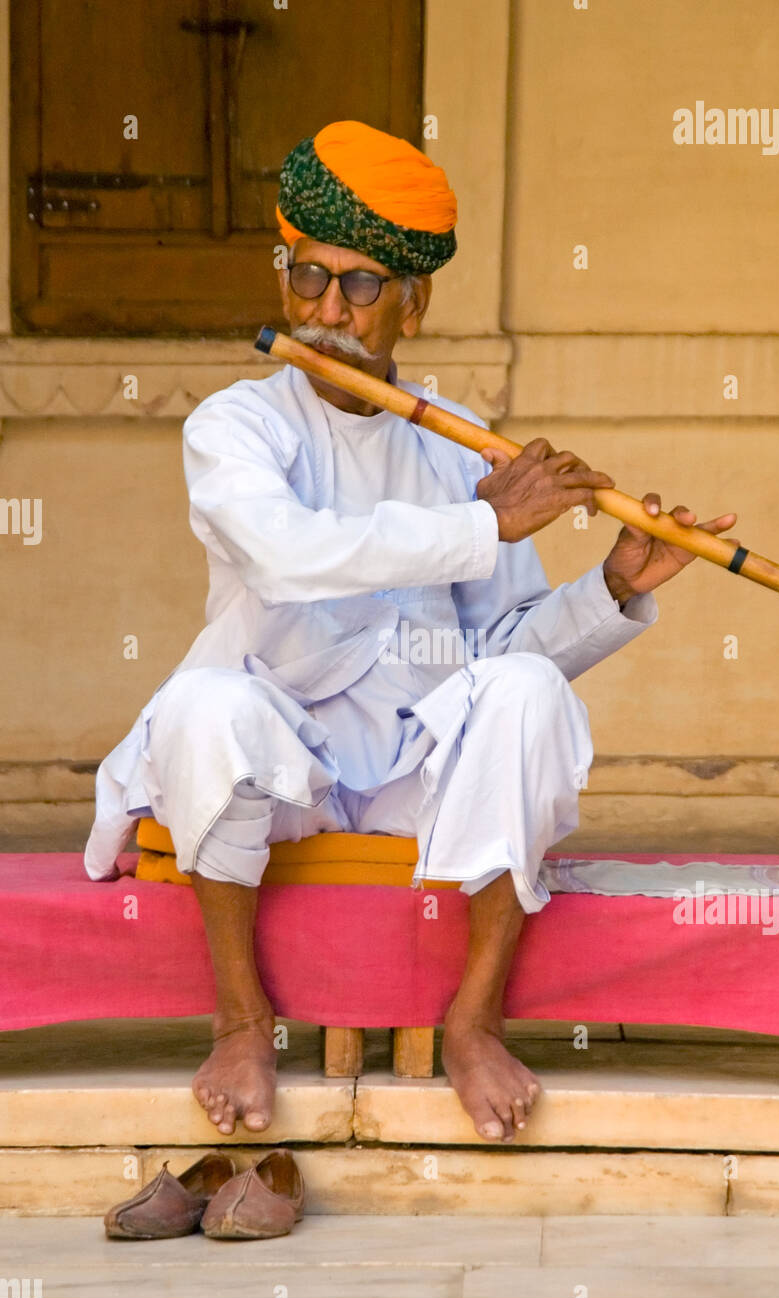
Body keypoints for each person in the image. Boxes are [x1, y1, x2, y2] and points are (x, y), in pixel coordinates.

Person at [84, 120, 737, 1144]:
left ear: (415, 304)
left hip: (408, 778)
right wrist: (481, 524)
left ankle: (472, 1022)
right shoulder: (236, 426)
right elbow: (287, 552)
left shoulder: (454, 439)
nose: (328, 311)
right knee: (200, 707)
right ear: (284, 280)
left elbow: (504, 652)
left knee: (525, 694)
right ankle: (243, 1021)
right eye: (308, 277)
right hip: (280, 758)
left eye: (363, 286)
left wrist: (609, 586)